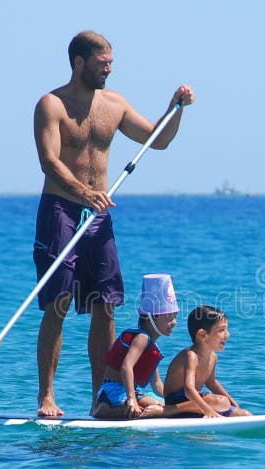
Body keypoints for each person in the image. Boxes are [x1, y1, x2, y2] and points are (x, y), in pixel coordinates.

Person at [32, 30, 196, 417]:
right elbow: (49, 161)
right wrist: (81, 191)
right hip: (61, 210)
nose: (109, 68)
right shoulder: (52, 105)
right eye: (102, 62)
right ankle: (47, 396)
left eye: (111, 62)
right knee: (59, 302)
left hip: (99, 217)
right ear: (79, 62)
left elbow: (158, 140)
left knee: (104, 306)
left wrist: (176, 109)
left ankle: (101, 397)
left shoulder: (114, 104)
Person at [92, 274, 178, 419]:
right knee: (158, 408)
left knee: (164, 405)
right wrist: (132, 399)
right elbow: (126, 367)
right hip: (115, 390)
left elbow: (156, 384)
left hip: (131, 391)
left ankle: (111, 408)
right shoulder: (142, 338)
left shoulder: (151, 344)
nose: (175, 322)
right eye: (169, 317)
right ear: (153, 316)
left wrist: (175, 400)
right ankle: (105, 411)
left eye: (175, 316)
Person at [162, 306, 252, 418]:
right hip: (176, 402)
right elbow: (189, 390)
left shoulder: (213, 357)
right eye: (221, 330)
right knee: (221, 402)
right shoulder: (191, 356)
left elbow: (211, 382)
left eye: (226, 330)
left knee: (245, 414)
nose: (227, 335)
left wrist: (233, 403)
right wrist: (208, 410)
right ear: (202, 335)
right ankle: (168, 411)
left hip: (195, 401)